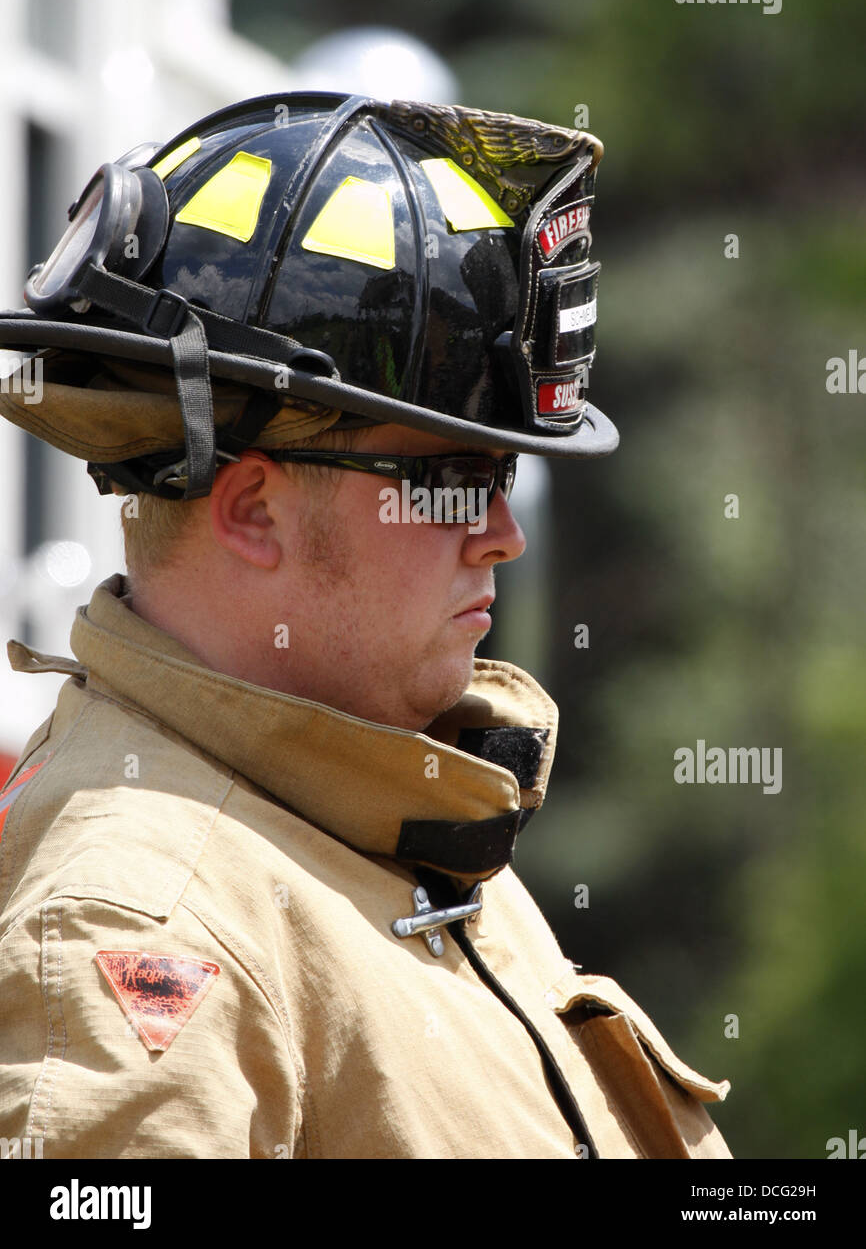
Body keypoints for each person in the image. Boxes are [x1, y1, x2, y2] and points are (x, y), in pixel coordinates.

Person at [0, 91, 732, 1159]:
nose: (500, 535)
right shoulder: (142, 923)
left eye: (504, 479)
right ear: (254, 511)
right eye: (453, 479)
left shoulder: (403, 823)